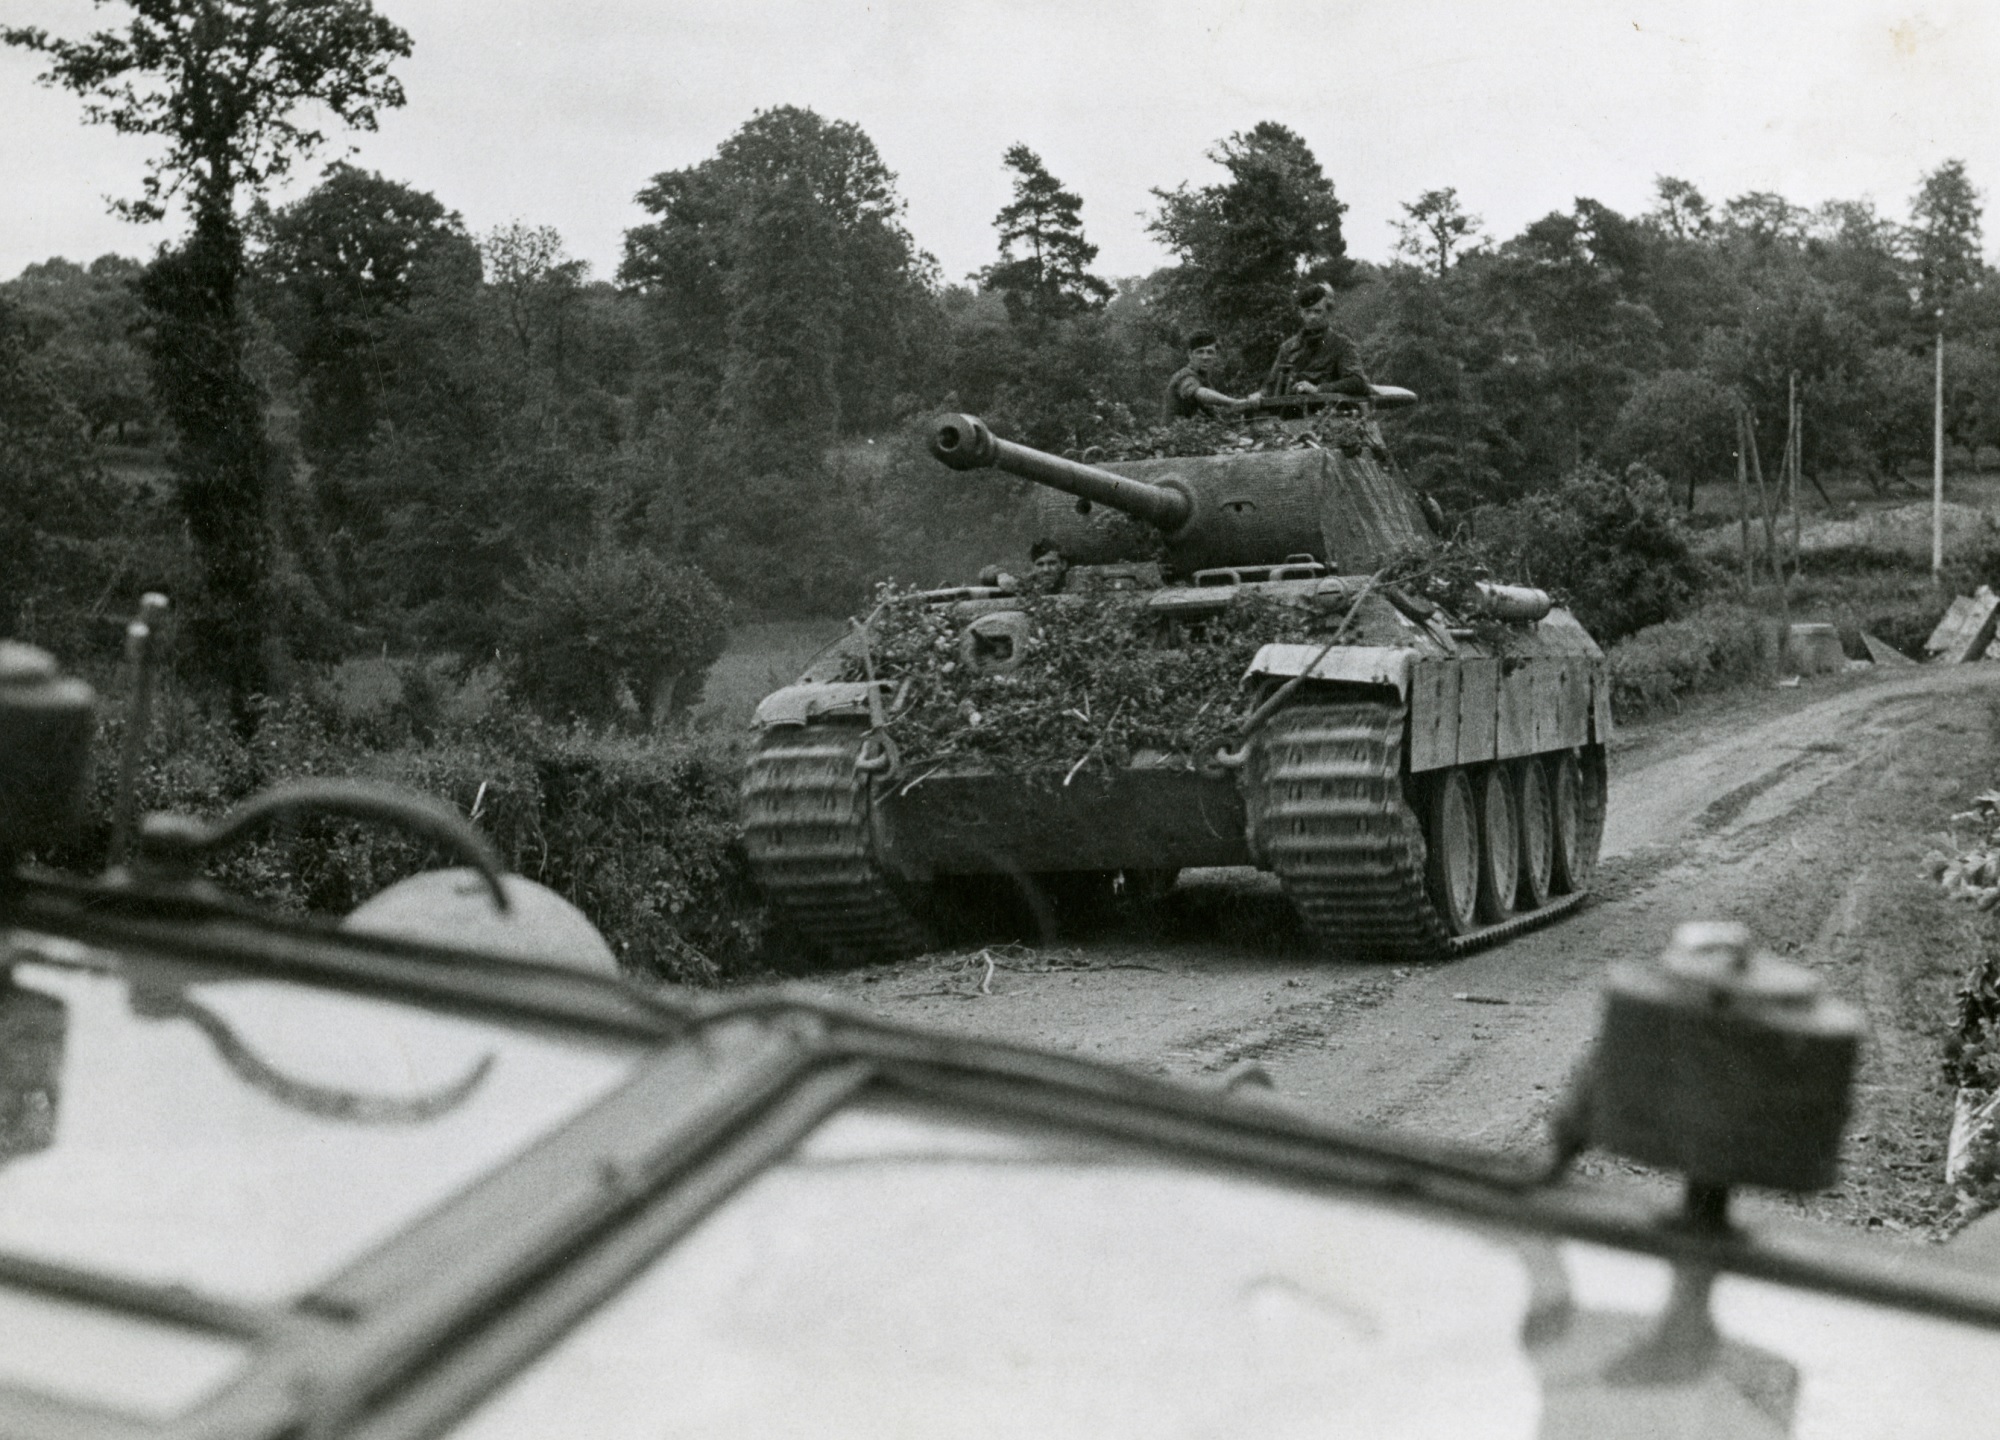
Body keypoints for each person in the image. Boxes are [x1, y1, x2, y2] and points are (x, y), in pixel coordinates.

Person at [1254, 282, 1370, 400]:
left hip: (1329, 413)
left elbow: (1358, 382)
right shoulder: (1287, 348)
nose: (1312, 317)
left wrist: (1318, 389)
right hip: (1289, 414)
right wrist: (1258, 396)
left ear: (1328, 312)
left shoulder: (1341, 344)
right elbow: (1270, 387)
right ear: (1301, 313)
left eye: (1317, 311)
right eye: (1308, 311)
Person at [1161, 331, 1248, 420]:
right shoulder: (1184, 375)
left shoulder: (1204, 380)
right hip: (1175, 433)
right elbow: (1199, 392)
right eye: (1200, 352)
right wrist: (1234, 402)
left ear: (1215, 355)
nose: (1205, 357)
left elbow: (1213, 413)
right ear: (1190, 354)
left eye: (1210, 352)